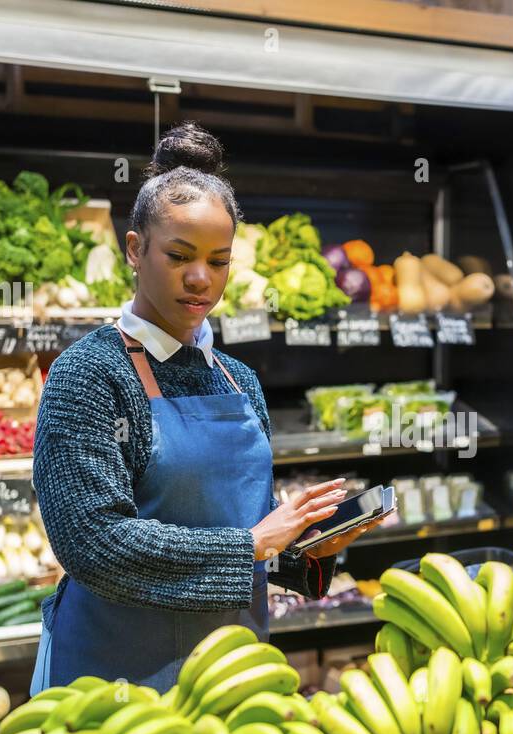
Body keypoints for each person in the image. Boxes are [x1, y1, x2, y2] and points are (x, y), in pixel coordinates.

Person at [30, 123, 382, 693]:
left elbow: (254, 554)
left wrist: (306, 548)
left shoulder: (237, 380)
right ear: (134, 248)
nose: (201, 279)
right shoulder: (89, 374)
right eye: (179, 255)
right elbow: (93, 543)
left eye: (219, 261)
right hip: (114, 690)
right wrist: (253, 543)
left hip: (232, 683)